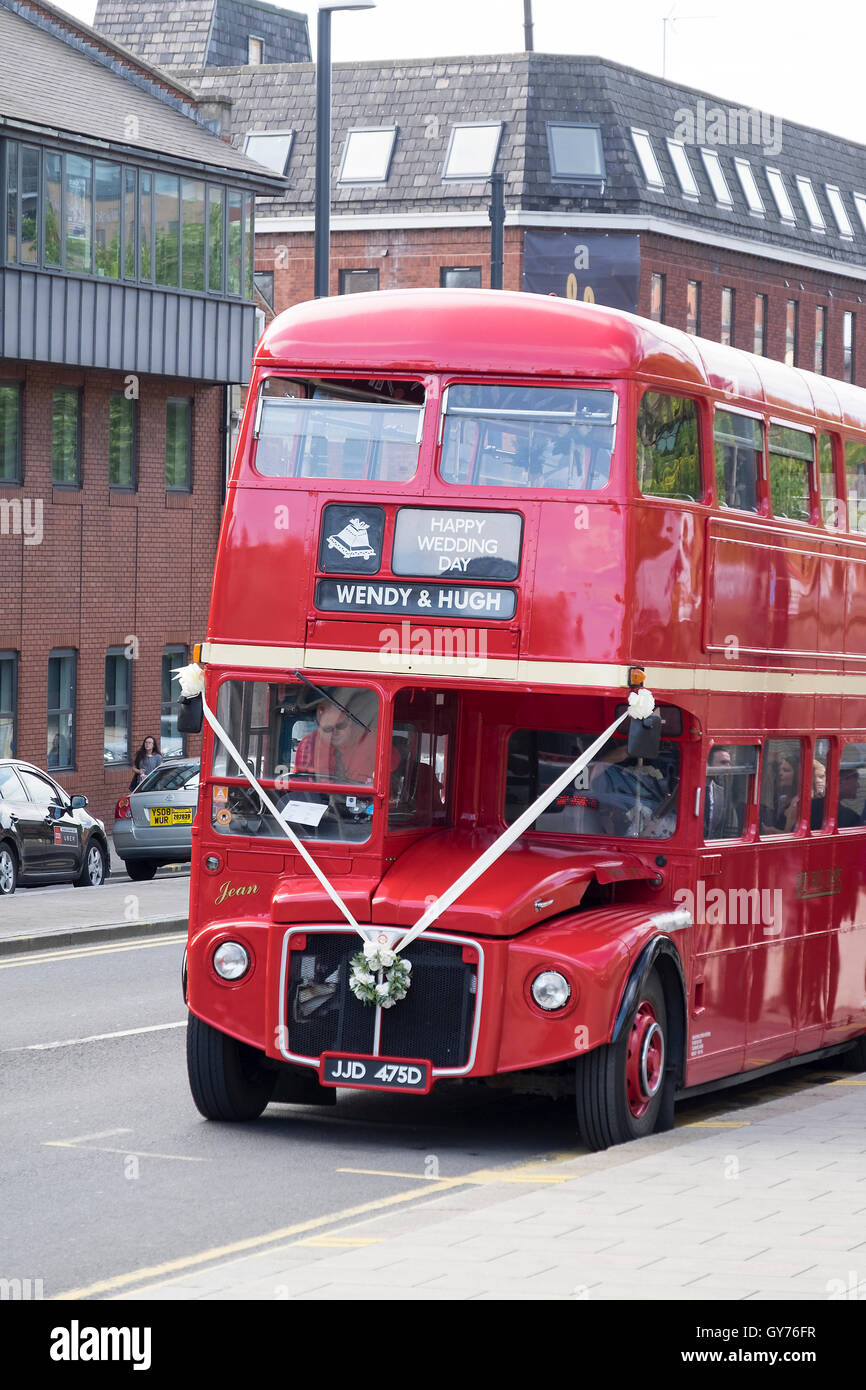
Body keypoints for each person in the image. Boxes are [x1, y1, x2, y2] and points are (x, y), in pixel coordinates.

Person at [761, 754, 800, 834]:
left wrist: (770, 830)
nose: (780, 773)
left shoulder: (796, 803)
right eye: (779, 770)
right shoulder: (784, 797)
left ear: (796, 775)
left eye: (786, 770)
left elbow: (788, 835)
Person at [704, 746, 736, 838]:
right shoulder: (690, 790)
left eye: (729, 763)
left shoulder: (720, 792)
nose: (728, 768)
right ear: (707, 764)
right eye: (723, 763)